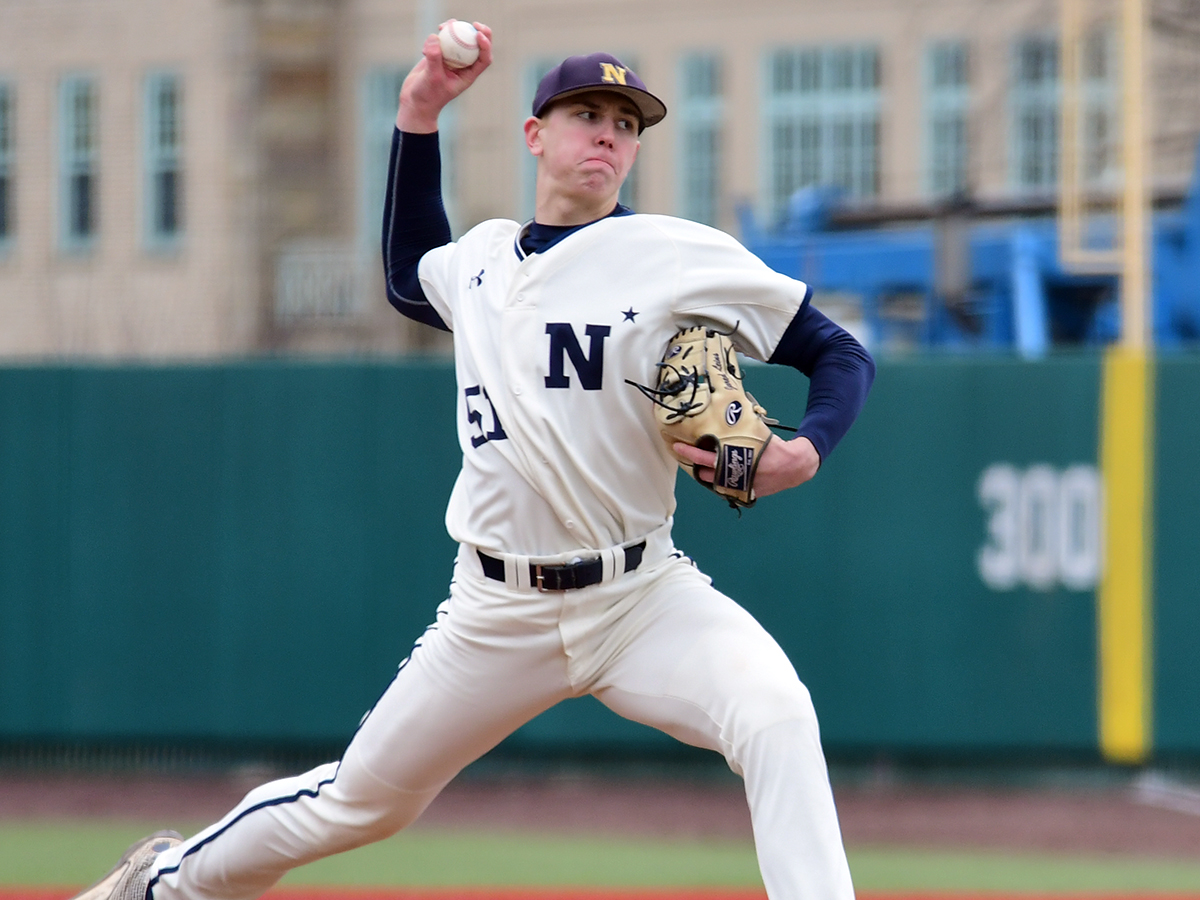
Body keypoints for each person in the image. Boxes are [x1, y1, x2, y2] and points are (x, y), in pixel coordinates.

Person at [71, 22, 874, 900]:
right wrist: (418, 112)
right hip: (496, 610)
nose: (608, 132)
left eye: (626, 122)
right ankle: (164, 884)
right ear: (537, 134)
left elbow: (840, 353)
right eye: (586, 113)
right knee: (361, 802)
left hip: (642, 597)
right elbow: (409, 270)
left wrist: (804, 448)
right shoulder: (482, 262)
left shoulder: (677, 256)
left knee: (776, 714)